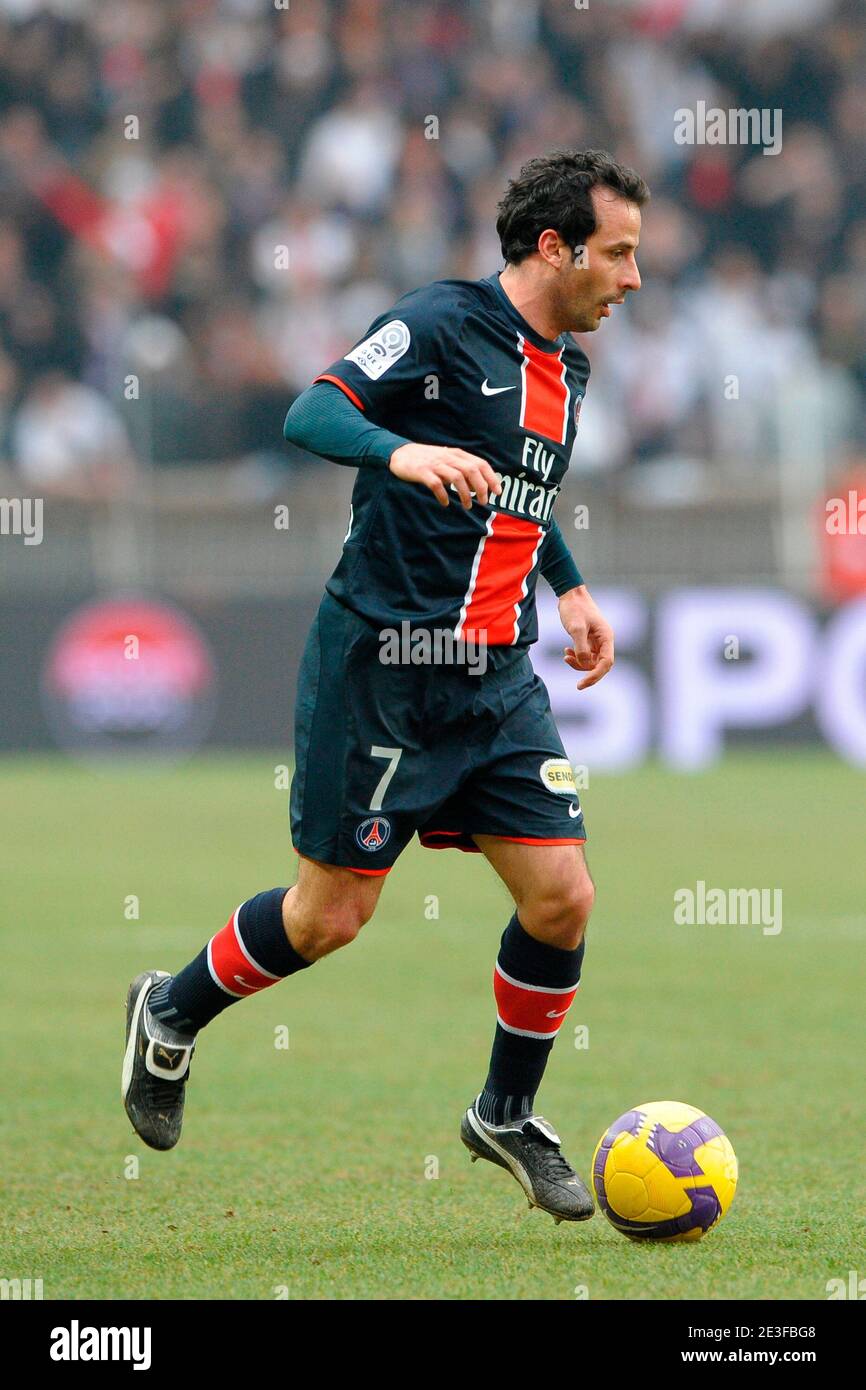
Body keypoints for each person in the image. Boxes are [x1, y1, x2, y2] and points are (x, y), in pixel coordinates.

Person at [122, 149, 647, 1224]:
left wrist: (572, 587)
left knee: (562, 896)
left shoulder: (570, 369)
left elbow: (524, 496)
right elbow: (312, 414)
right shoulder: (439, 323)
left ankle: (503, 1112)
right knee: (328, 918)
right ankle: (169, 1010)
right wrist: (401, 452)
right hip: (384, 671)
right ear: (556, 247)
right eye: (620, 253)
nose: (632, 277)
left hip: (495, 675)